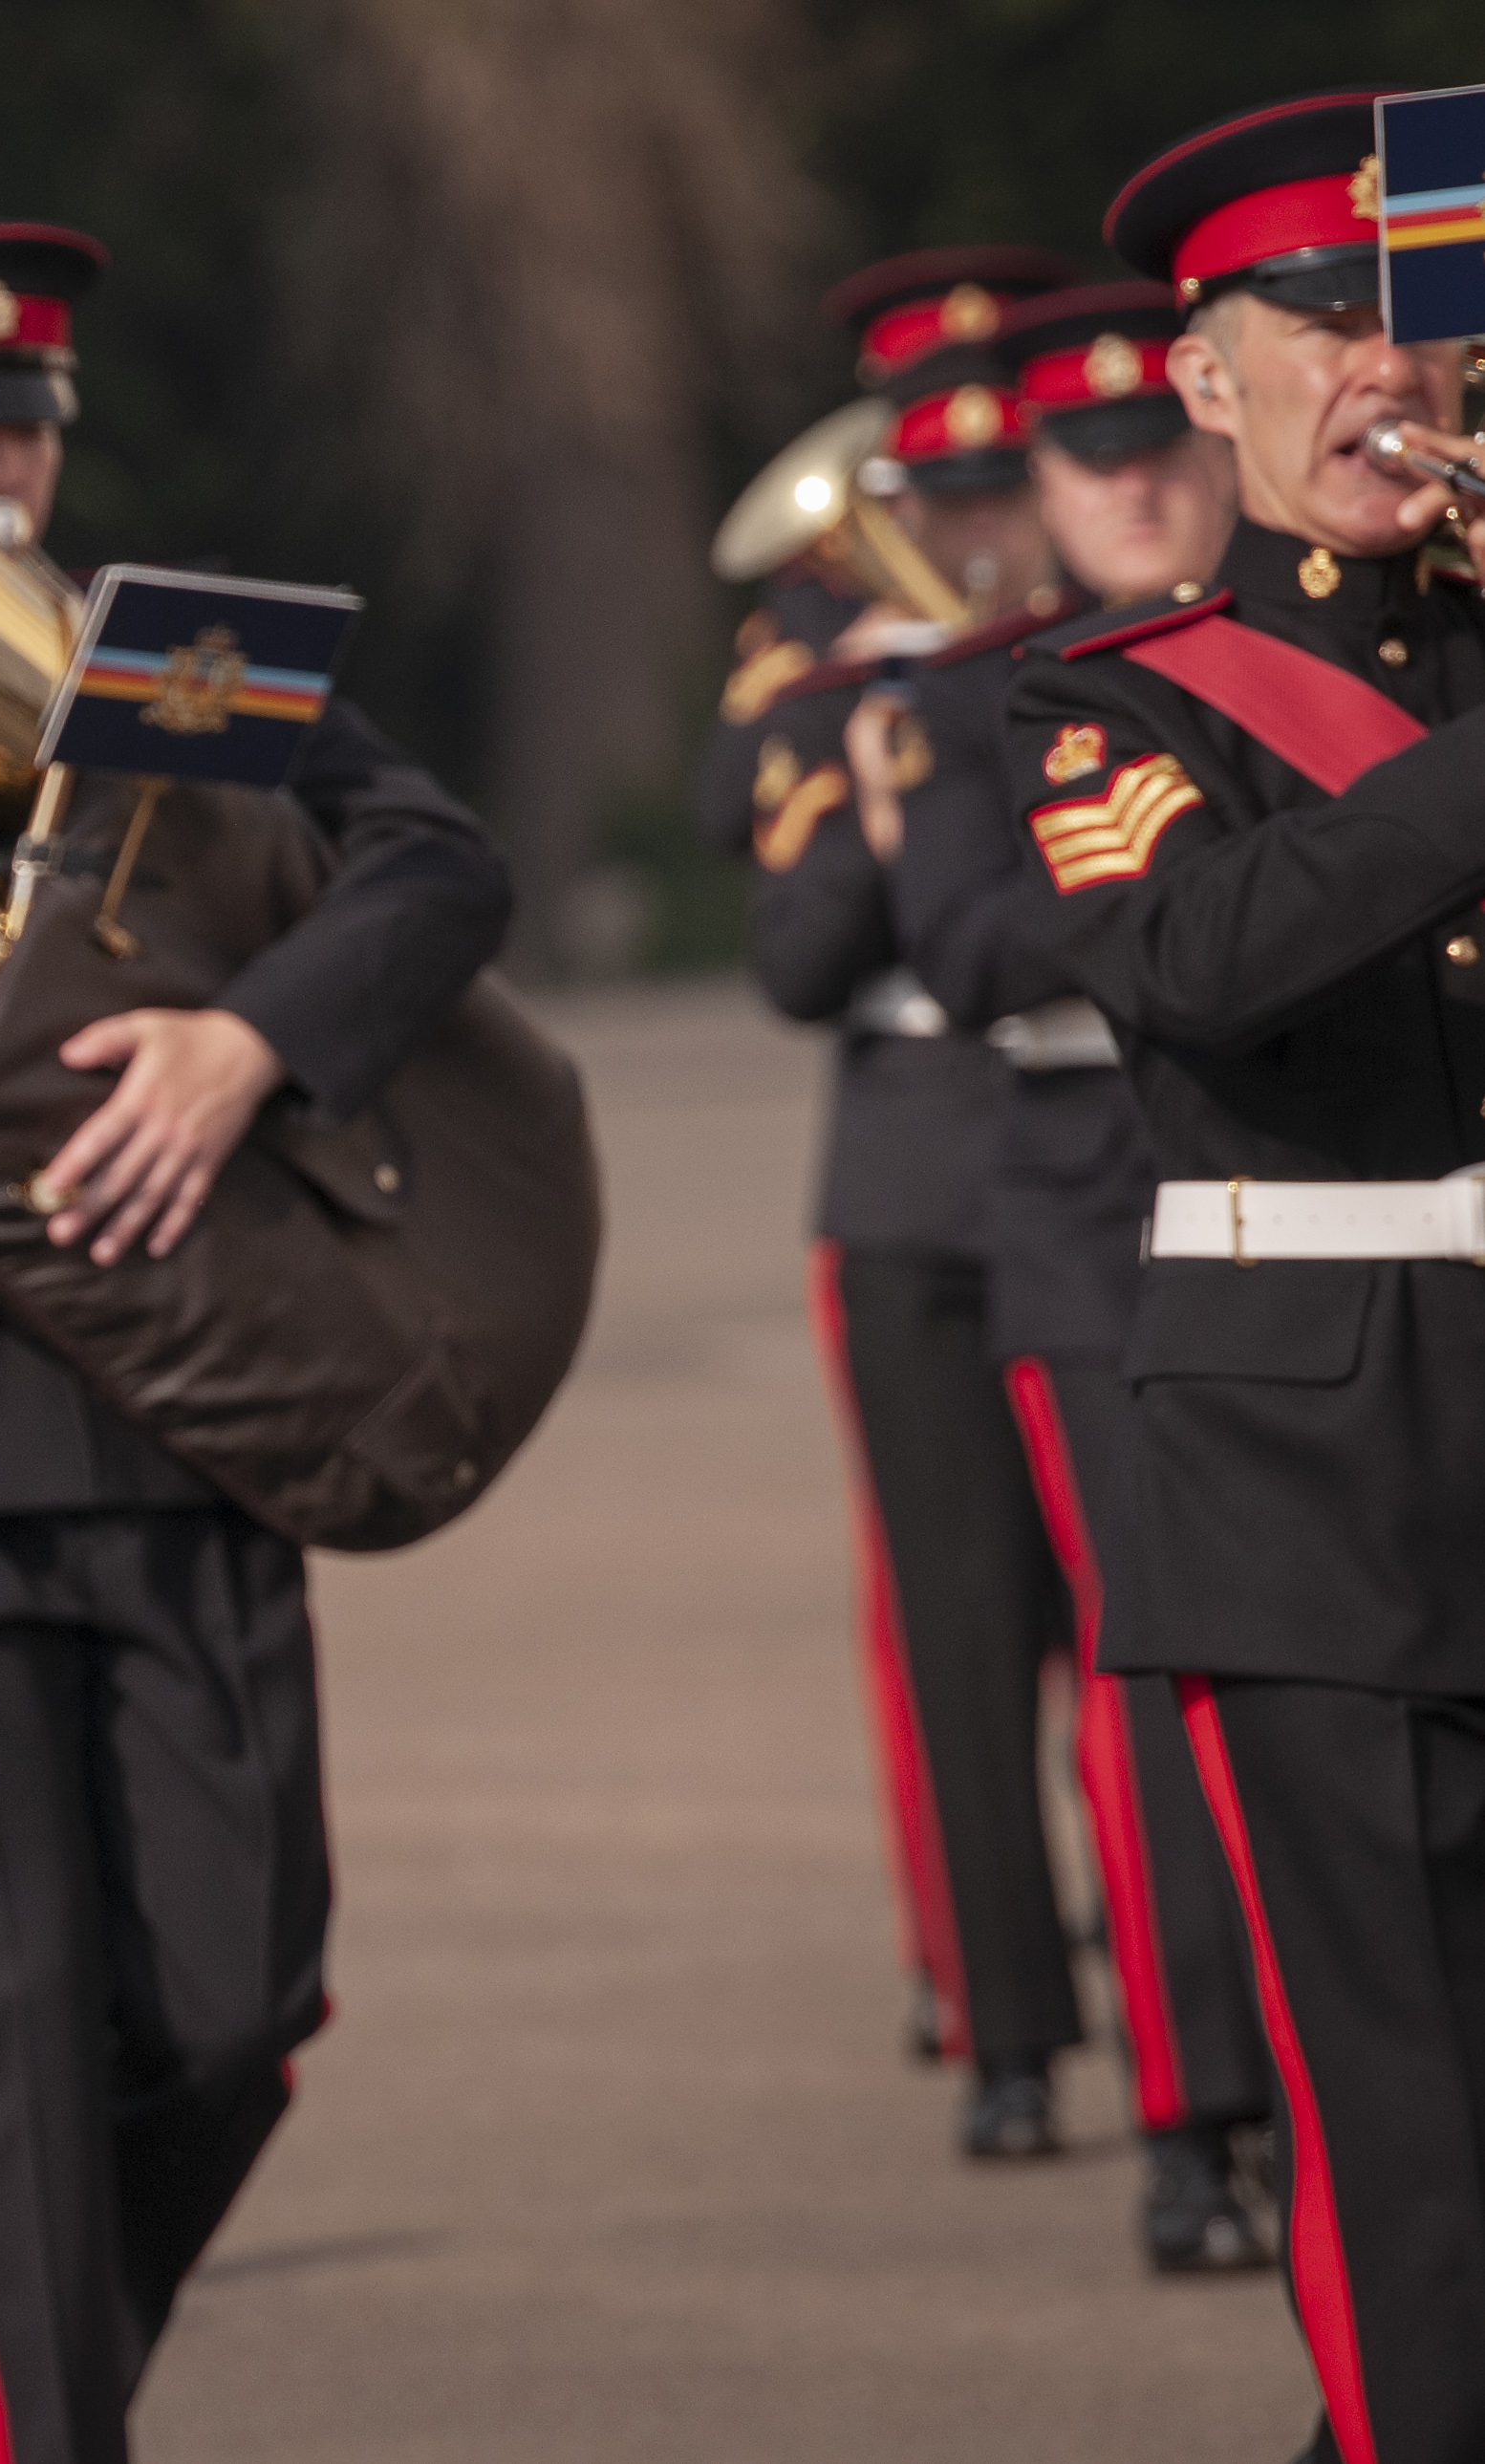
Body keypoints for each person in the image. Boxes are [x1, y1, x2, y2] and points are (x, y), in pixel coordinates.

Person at [0, 222, 510, 2464]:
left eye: (22, 429)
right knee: (3, 2004)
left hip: (198, 1402)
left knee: (237, 2006)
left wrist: (251, 1039)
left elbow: (435, 860)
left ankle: (43, 2376)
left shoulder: (164, 653)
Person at [1007, 91, 1485, 2464]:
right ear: (1208, 379)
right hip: (1318, 1465)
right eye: (1329, 323)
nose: (1394, 366)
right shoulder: (1122, 695)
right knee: (1410, 2137)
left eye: (1431, 315)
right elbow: (1198, 959)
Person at [859, 280, 1278, 2271]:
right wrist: (1225, 900)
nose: (1130, 489)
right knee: (1154, 1673)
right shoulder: (965, 700)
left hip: (1313, 1188)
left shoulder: (1298, 650)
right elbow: (962, 948)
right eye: (1086, 462)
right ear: (1037, 480)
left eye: (1157, 451)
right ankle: (1198, 2108)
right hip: (1090, 1214)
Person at [701, 254, 1091, 2154]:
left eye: (1003, 485)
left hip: (1091, 1150)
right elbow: (789, 954)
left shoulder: (1106, 652)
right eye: (943, 496)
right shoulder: (834, 678)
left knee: (1133, 1631)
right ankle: (1006, 2022)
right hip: (914, 1174)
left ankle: (1203, 2049)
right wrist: (882, 792)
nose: (975, 527)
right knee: (957, 1624)